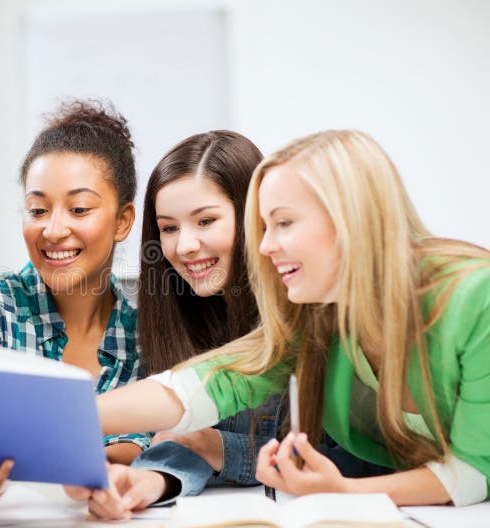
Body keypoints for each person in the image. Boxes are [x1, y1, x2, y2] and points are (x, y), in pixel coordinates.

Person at [95, 129, 490, 507]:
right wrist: (72, 416)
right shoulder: (322, 315)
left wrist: (342, 492)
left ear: (350, 217)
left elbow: (474, 473)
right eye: (264, 227)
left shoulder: (475, 298)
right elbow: (214, 383)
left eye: (282, 223)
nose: (264, 247)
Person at [0, 100, 142, 511]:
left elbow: (147, 448)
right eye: (37, 209)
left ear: (123, 221)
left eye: (79, 209)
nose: (53, 229)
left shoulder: (145, 338)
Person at [66, 131, 282, 518]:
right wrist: (150, 481)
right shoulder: (177, 314)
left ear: (255, 216)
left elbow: (313, 449)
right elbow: (182, 434)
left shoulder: (297, 310)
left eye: (206, 221)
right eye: (169, 228)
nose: (184, 246)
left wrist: (220, 448)